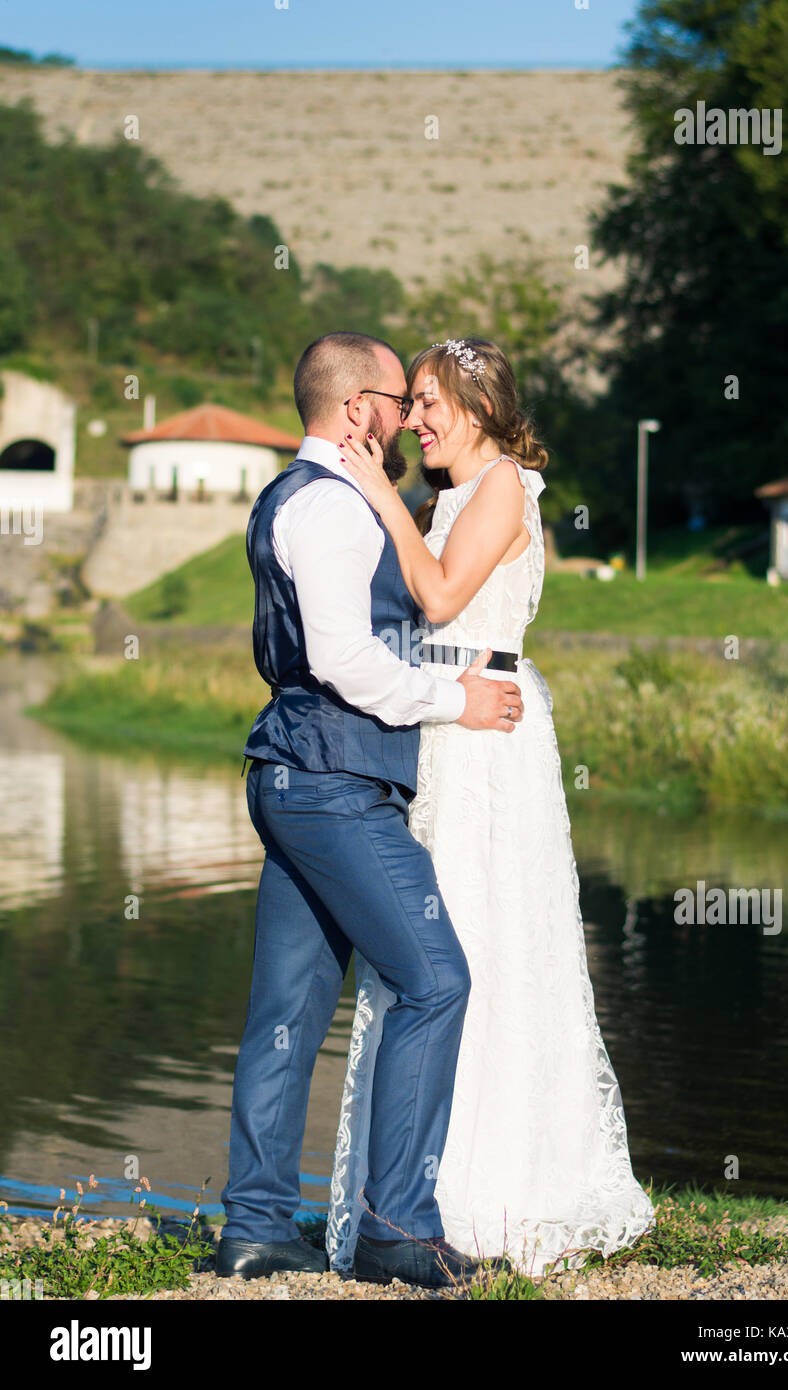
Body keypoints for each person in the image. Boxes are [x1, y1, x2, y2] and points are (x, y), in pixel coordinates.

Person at [327, 337, 656, 1277]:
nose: (416, 420)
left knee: (486, 943)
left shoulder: (504, 484)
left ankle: (496, 1192)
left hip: (489, 747)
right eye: (414, 403)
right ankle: (409, 1194)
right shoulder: (447, 496)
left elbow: (438, 599)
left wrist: (379, 493)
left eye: (428, 403)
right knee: (426, 960)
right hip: (440, 731)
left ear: (476, 408)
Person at [218, 332, 524, 1290]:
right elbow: (347, 660)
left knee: (287, 1014)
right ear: (358, 409)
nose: (407, 417)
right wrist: (458, 703)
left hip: (294, 773)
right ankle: (397, 1226)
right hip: (332, 784)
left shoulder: (296, 497)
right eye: (398, 399)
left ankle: (257, 1230)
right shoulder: (337, 511)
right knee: (436, 980)